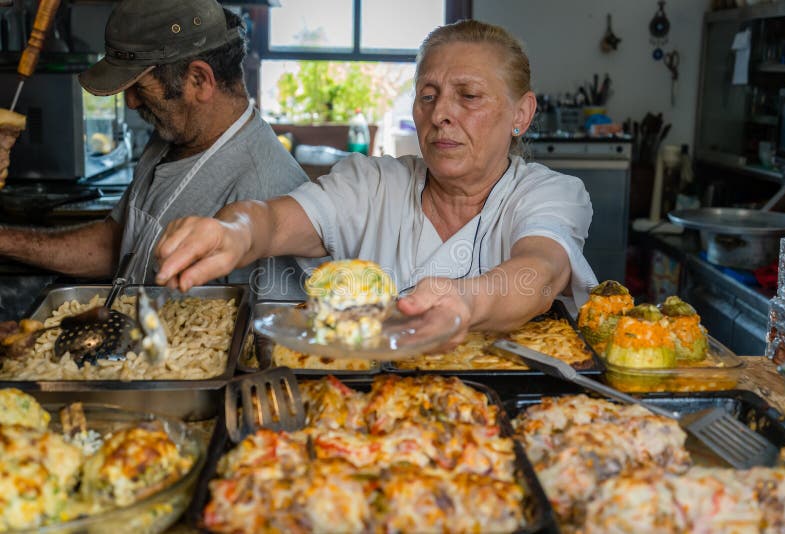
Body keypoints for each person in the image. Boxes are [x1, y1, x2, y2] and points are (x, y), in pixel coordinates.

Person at [155, 20, 598, 345]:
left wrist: (467, 300)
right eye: (427, 96)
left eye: (468, 96)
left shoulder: (548, 194)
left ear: (521, 114)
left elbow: (541, 271)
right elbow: (271, 220)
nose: (440, 113)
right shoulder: (373, 184)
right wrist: (234, 231)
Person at [0, 0, 308, 297]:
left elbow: (265, 335)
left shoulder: (269, 186)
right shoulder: (172, 133)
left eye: (139, 87)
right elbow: (115, 245)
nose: (130, 102)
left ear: (199, 80)